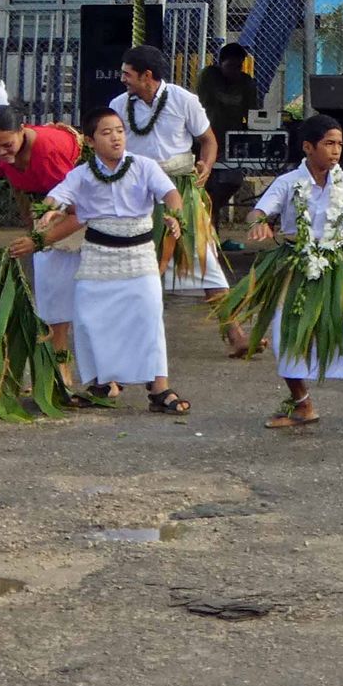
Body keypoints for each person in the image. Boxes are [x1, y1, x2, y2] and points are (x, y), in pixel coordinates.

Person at [221, 113, 343, 439]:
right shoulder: (288, 182)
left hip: (335, 266)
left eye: (340, 144)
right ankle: (302, 403)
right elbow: (259, 210)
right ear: (308, 147)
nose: (336, 151)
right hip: (295, 265)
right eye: (329, 144)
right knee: (285, 333)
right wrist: (258, 223)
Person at [34, 104, 193, 415]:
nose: (116, 138)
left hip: (139, 256)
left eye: (120, 131)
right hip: (98, 257)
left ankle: (159, 388)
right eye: (106, 133)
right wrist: (50, 210)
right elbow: (59, 194)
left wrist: (175, 214)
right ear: (91, 140)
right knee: (90, 320)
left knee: (148, 317)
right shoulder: (82, 174)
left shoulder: (144, 166)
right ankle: (103, 383)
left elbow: (170, 193)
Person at [112, 46, 242, 350]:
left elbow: (208, 140)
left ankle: (235, 334)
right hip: (138, 193)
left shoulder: (184, 100)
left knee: (203, 256)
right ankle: (129, 338)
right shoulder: (118, 105)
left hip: (180, 192)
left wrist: (206, 165)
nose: (123, 79)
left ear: (147, 76)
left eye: (127, 74)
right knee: (136, 260)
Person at [0, 102, 86, 371]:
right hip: (44, 208)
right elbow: (18, 185)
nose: (0, 152)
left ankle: (93, 373)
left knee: (72, 292)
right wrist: (32, 227)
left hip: (82, 205)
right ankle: (59, 370)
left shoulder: (48, 155)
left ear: (22, 130)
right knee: (51, 292)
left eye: (7, 145)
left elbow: (81, 211)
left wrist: (38, 241)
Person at [197, 43, 261, 148]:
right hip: (210, 130)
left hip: (234, 134)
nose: (234, 71)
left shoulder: (245, 81)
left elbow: (251, 112)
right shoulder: (209, 75)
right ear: (220, 63)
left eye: (238, 67)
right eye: (230, 66)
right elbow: (212, 99)